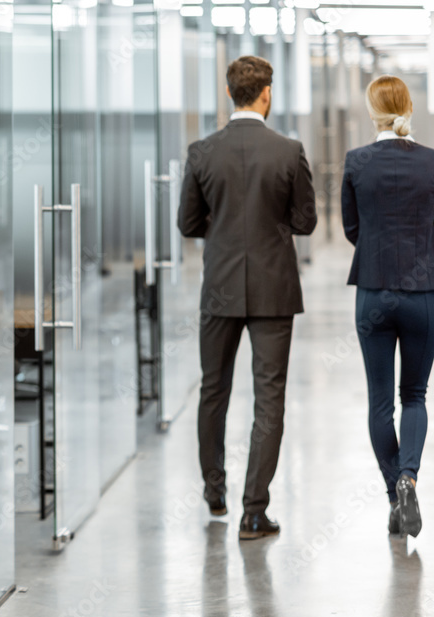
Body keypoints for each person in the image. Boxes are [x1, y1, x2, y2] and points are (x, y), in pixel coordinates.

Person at [177, 55, 316, 540]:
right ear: (266, 93)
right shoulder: (289, 151)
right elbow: (305, 223)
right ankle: (254, 512)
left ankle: (214, 488)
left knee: (213, 389)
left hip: (218, 289)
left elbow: (188, 225)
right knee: (268, 398)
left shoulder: (201, 152)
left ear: (229, 93)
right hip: (274, 291)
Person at [341, 75, 434, 539]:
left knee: (379, 401)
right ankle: (410, 479)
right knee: (414, 395)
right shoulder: (432, 164)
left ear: (372, 111)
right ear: (409, 108)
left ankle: (393, 494)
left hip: (374, 291)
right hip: (422, 293)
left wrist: (380, 246)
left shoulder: (357, 162)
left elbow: (351, 228)